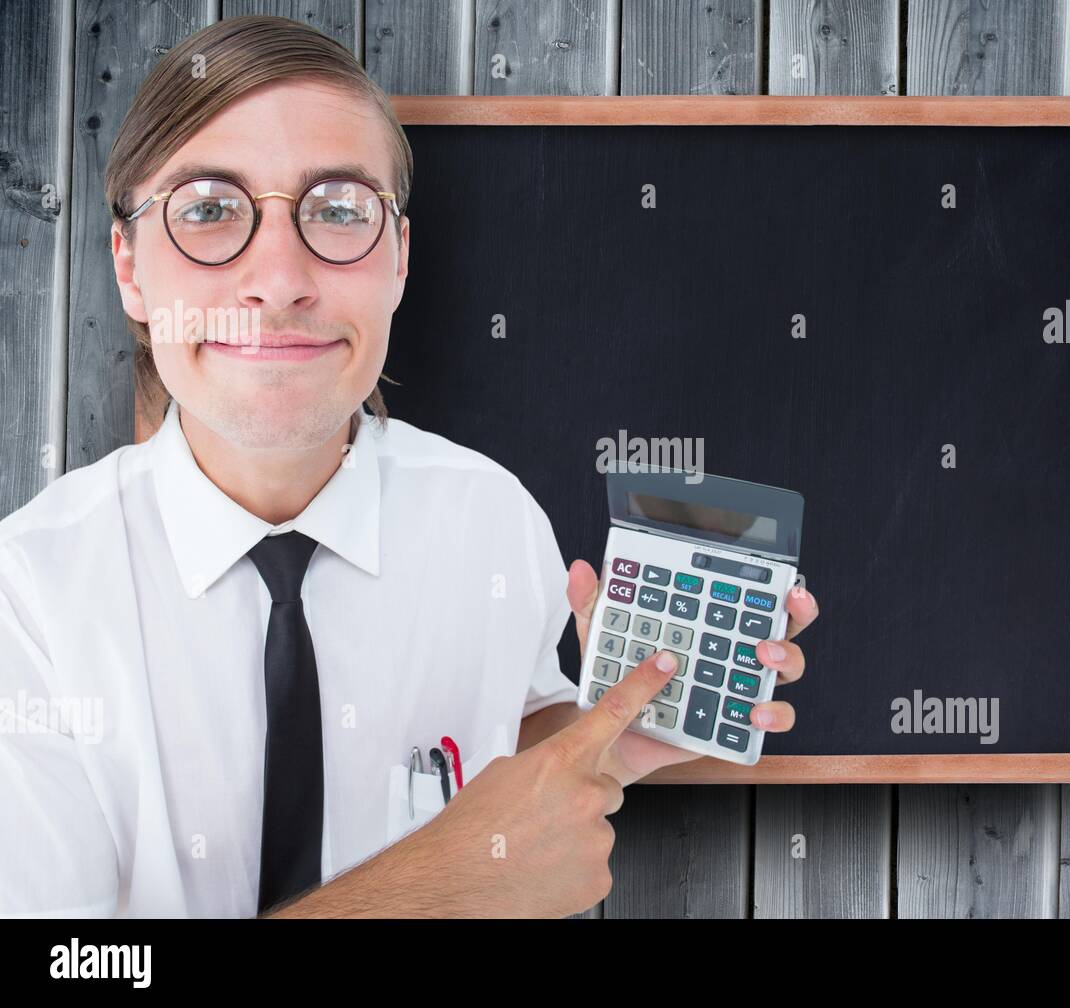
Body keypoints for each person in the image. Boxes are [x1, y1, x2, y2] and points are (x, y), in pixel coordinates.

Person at [0, 15, 819, 919]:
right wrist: (446, 889)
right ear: (129, 268)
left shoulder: (490, 517)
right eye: (207, 209)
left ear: (397, 258)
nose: (279, 279)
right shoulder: (28, 596)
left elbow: (491, 748)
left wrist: (601, 738)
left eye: (340, 211)